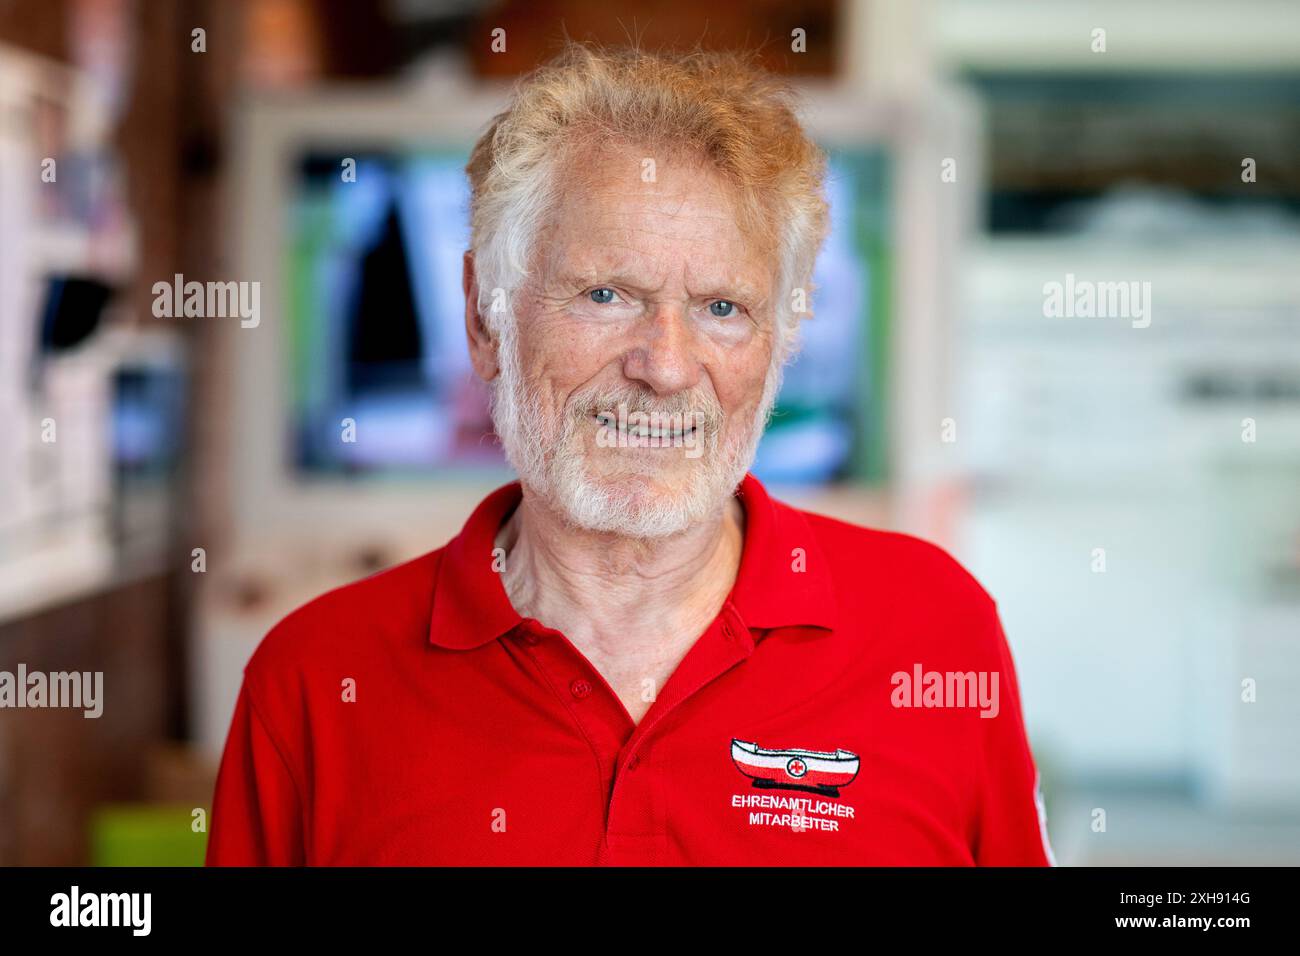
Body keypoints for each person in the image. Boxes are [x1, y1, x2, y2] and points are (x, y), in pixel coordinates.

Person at [206, 41, 1054, 866]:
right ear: (482, 317)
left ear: (783, 338)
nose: (667, 366)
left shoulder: (937, 635)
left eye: (724, 308)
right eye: (606, 295)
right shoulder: (315, 682)